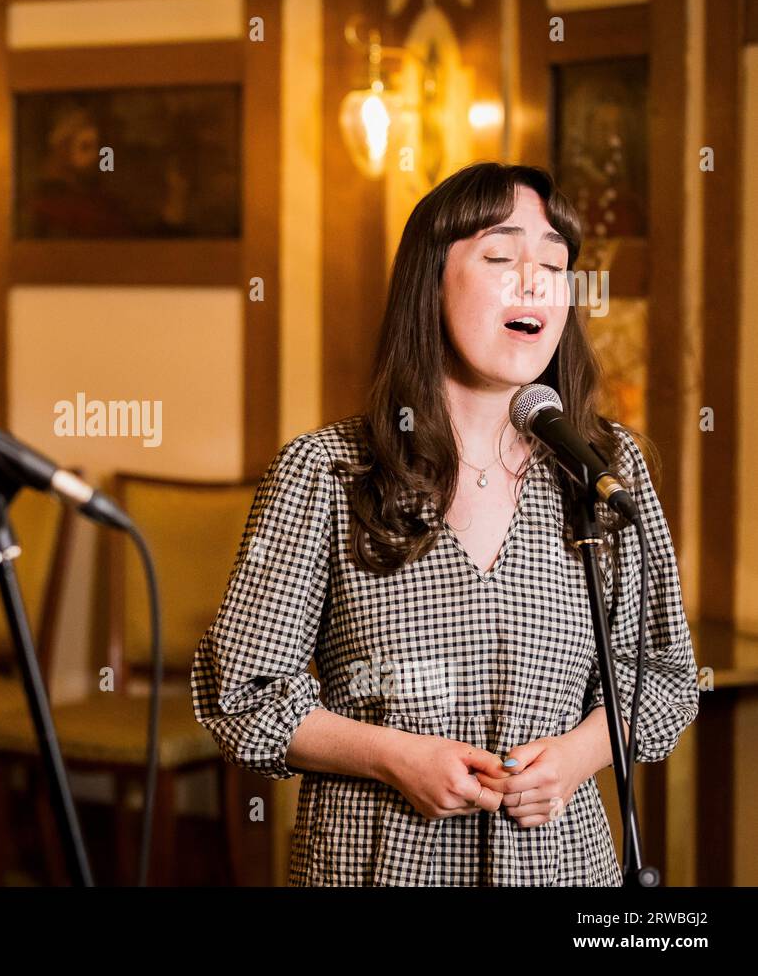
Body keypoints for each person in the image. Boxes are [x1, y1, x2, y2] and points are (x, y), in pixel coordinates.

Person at [191, 161, 699, 886]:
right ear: (429, 282)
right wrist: (396, 757)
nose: (533, 282)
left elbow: (667, 675)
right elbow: (241, 694)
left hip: (558, 866)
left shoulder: (606, 469)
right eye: (500, 257)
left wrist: (579, 756)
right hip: (377, 863)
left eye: (554, 266)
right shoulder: (325, 472)